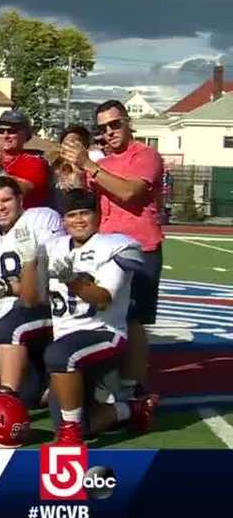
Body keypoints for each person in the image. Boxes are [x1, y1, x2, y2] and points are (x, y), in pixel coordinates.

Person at [60, 99, 164, 398]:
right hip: (104, 248)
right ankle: (107, 380)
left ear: (128, 122)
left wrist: (88, 165)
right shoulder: (102, 163)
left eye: (115, 124)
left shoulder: (146, 155)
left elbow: (130, 192)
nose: (109, 132)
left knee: (133, 319)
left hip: (139, 247)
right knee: (102, 314)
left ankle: (132, 388)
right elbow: (86, 201)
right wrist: (74, 175)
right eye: (102, 128)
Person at [41, 189, 157, 444]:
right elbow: (34, 296)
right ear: (63, 220)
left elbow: (104, 299)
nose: (78, 220)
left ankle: (70, 436)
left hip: (104, 333)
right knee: (75, 421)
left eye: (85, 213)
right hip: (67, 338)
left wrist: (72, 280)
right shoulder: (53, 247)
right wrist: (30, 260)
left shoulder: (114, 246)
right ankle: (131, 409)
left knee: (59, 355)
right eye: (72, 215)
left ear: (98, 215)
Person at [0, 176, 64, 403]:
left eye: (6, 200)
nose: (0, 207)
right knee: (31, 397)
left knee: (11, 324)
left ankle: (7, 401)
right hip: (3, 315)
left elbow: (39, 288)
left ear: (20, 199)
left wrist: (9, 287)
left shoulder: (41, 218)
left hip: (45, 309)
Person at [0, 110, 51, 212]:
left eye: (12, 131)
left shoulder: (34, 162)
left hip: (23, 222)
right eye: (0, 131)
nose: (5, 136)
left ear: (25, 136)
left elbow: (19, 191)